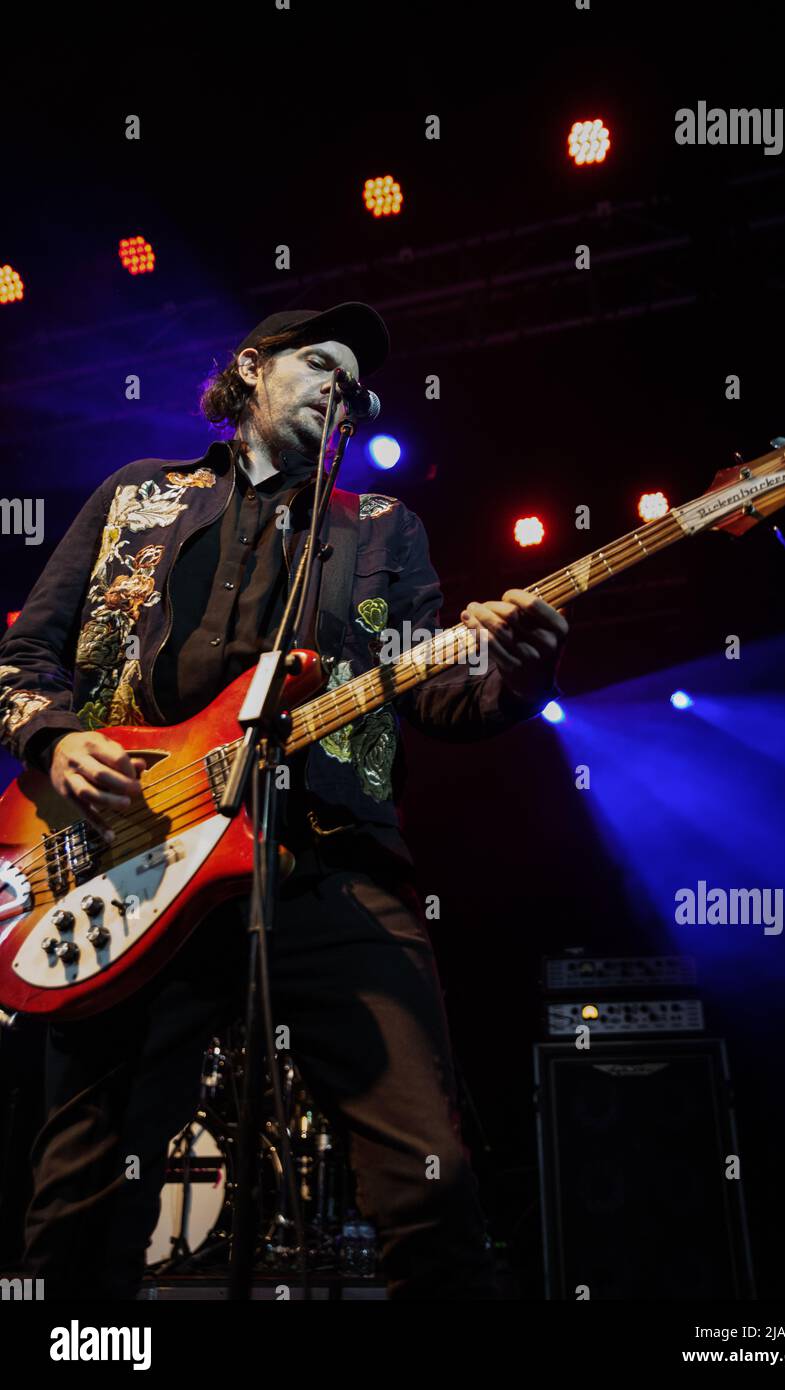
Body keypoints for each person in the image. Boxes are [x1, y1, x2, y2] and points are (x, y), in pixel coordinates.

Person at [0, 301, 568, 1300]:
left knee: (431, 1180)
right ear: (251, 372)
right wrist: (54, 740)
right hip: (127, 858)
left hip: (328, 860)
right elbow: (23, 655)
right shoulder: (137, 497)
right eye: (317, 360)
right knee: (83, 1197)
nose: (339, 383)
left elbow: (434, 692)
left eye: (357, 379)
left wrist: (513, 678)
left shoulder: (384, 526)